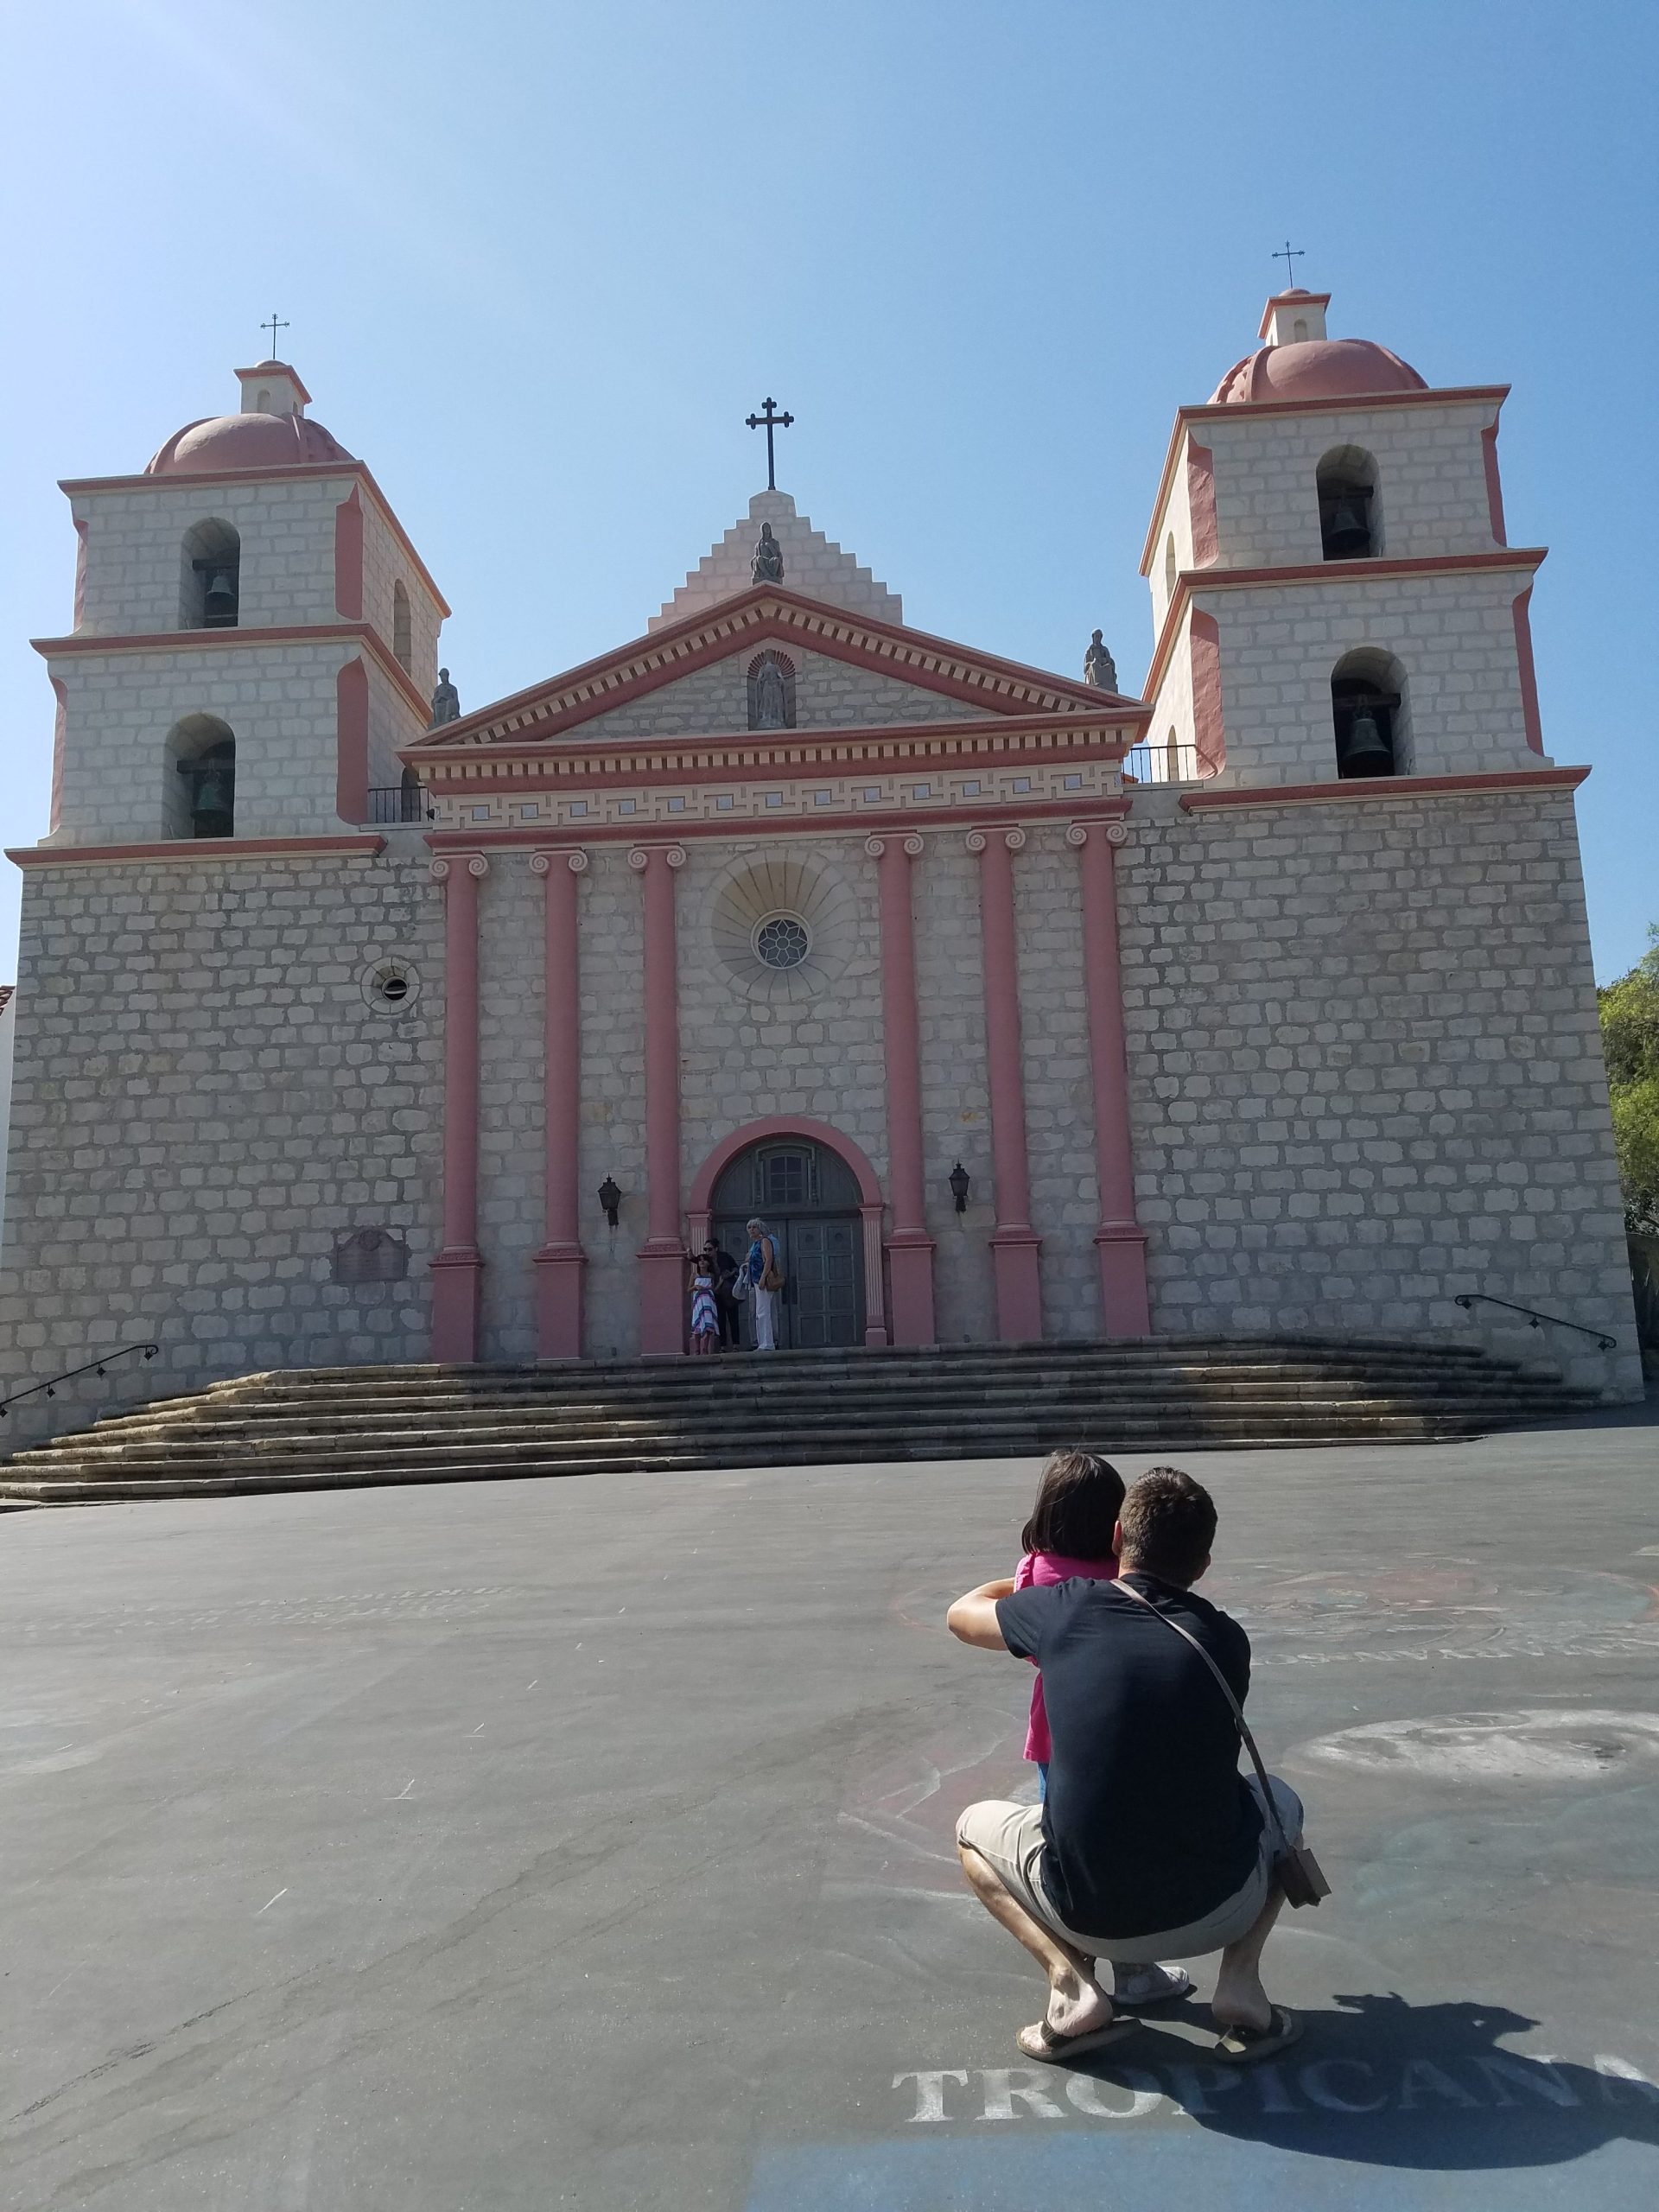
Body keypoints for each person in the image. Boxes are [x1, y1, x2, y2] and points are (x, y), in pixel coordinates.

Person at [948, 1467, 1303, 2067]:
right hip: (1218, 1909)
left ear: (1116, 1537)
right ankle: (1241, 1983)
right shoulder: (1225, 1639)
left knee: (972, 1829)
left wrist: (1020, 1580)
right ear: (1204, 1562)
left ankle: (1071, 1986)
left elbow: (963, 1614)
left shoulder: (1062, 1612)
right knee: (1282, 1801)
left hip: (1086, 1912)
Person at [1012, 1449, 1193, 2016]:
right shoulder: (1123, 1577)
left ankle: (1074, 1971)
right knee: (1123, 1843)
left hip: (1056, 1728)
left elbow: (1022, 1641)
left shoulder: (1038, 1573)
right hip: (1125, 1731)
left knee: (1062, 1845)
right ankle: (1135, 1968)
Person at [743, 1217, 782, 1351]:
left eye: (754, 1227)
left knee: (763, 1312)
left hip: (762, 1280)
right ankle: (763, 1342)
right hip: (755, 1280)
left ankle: (768, 1343)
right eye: (749, 1227)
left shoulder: (765, 1241)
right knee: (760, 1312)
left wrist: (763, 1277)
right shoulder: (755, 1244)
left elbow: (769, 1260)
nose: (751, 1230)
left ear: (761, 1229)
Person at [709, 1240, 741, 1350]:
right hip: (717, 1293)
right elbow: (697, 1262)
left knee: (733, 1319)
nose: (707, 1251)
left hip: (729, 1292)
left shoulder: (725, 1257)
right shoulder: (707, 1261)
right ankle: (723, 1345)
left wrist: (730, 1274)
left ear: (716, 1249)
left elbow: (736, 1268)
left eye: (710, 1249)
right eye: (705, 1249)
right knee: (721, 1320)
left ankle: (736, 1344)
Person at [688, 1249, 720, 1356]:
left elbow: (714, 1288)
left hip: (709, 1302)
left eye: (704, 1260)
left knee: (708, 1325)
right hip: (698, 1301)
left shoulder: (711, 1275)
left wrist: (712, 1288)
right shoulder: (694, 1275)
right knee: (697, 1325)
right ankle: (697, 1349)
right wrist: (695, 1287)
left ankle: (705, 1348)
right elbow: (688, 1289)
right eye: (700, 1260)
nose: (702, 1262)